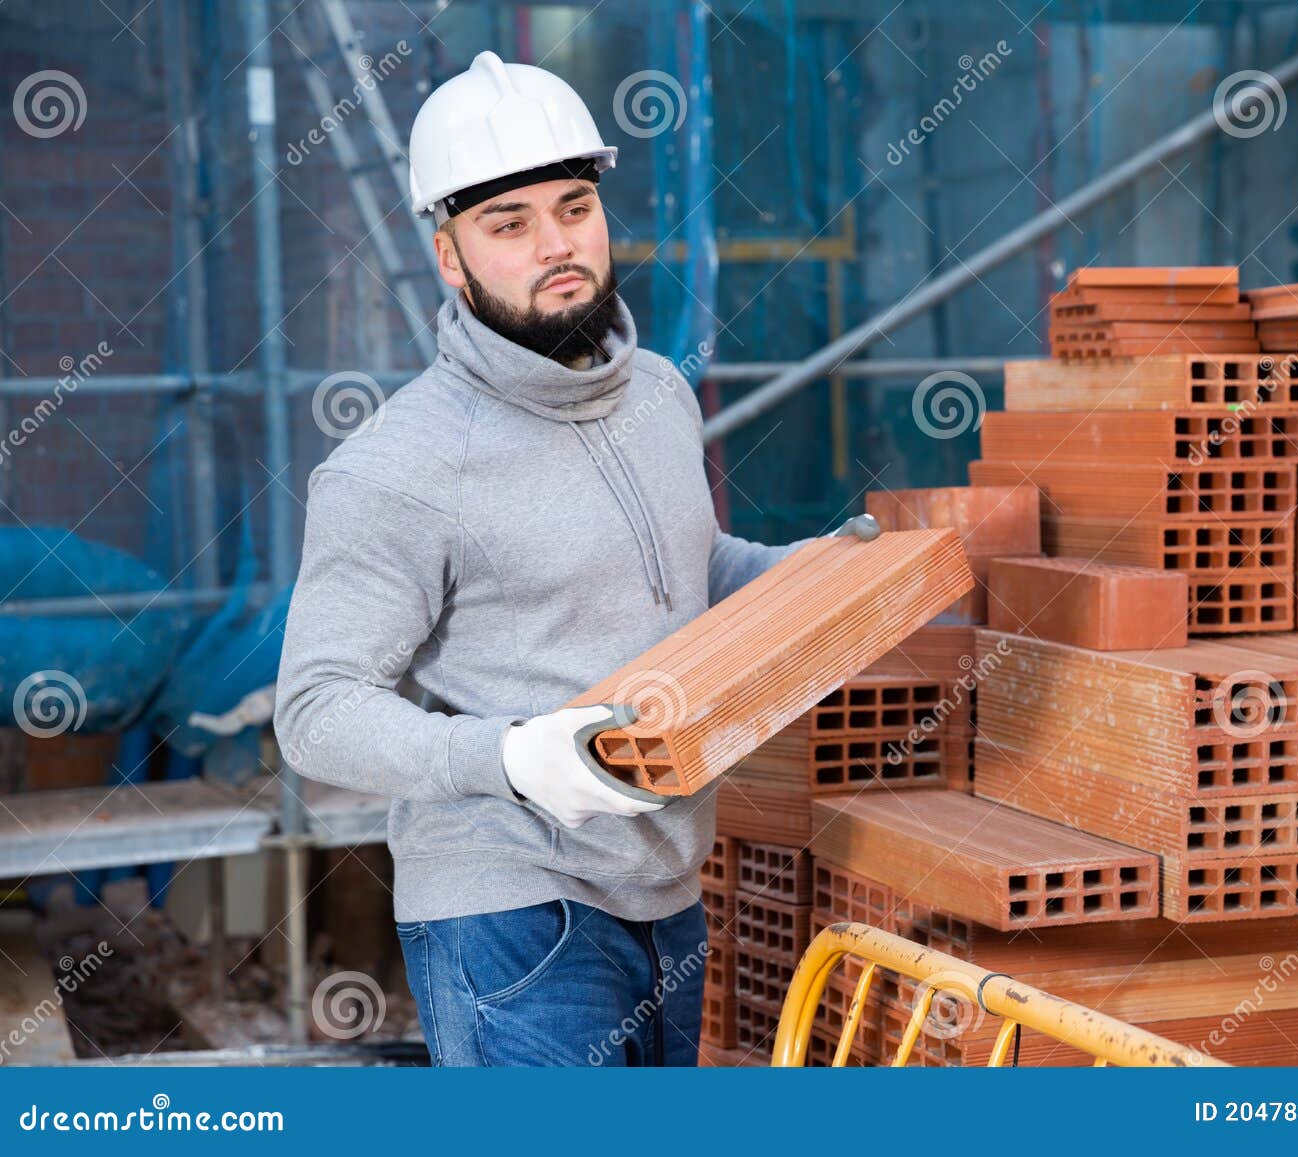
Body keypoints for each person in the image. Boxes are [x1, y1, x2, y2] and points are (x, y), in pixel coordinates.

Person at [273, 51, 875, 1067]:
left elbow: (690, 566)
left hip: (669, 887)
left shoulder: (655, 396)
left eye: (572, 207)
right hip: (510, 913)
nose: (556, 244)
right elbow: (317, 709)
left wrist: (811, 575)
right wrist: (512, 756)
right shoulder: (397, 466)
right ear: (450, 257)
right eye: (508, 225)